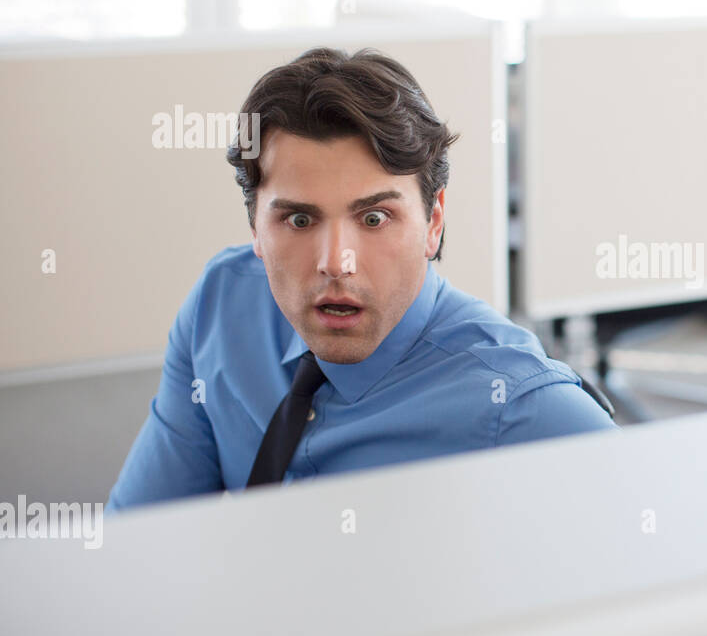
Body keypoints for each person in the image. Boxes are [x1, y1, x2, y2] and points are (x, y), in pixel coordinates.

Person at [107, 48, 614, 512]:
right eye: (300, 221)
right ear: (254, 227)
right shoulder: (222, 304)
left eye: (374, 219)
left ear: (433, 222)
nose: (336, 262)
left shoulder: (521, 404)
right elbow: (135, 541)